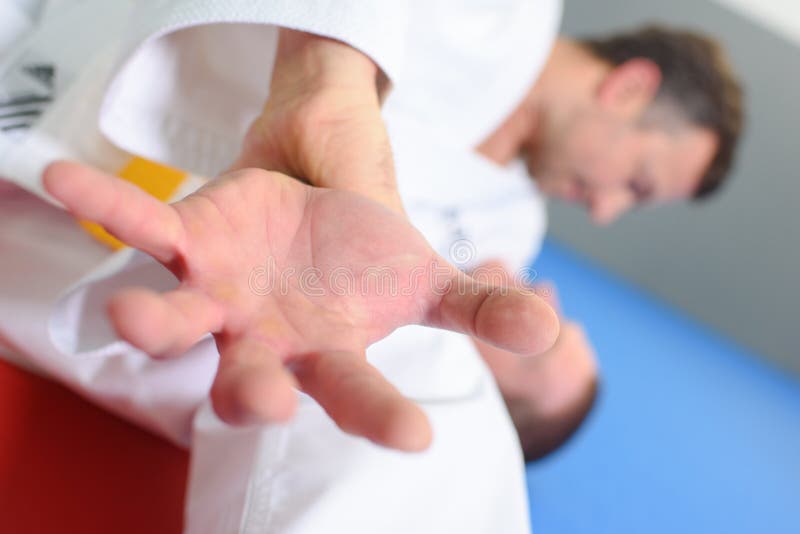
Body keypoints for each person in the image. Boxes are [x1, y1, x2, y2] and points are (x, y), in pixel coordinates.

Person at [0, 1, 743, 532]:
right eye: (635, 182)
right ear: (630, 86)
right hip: (49, 57)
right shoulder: (502, 16)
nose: (606, 209)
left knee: (396, 377)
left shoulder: (511, 225)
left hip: (65, 256)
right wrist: (325, 76)